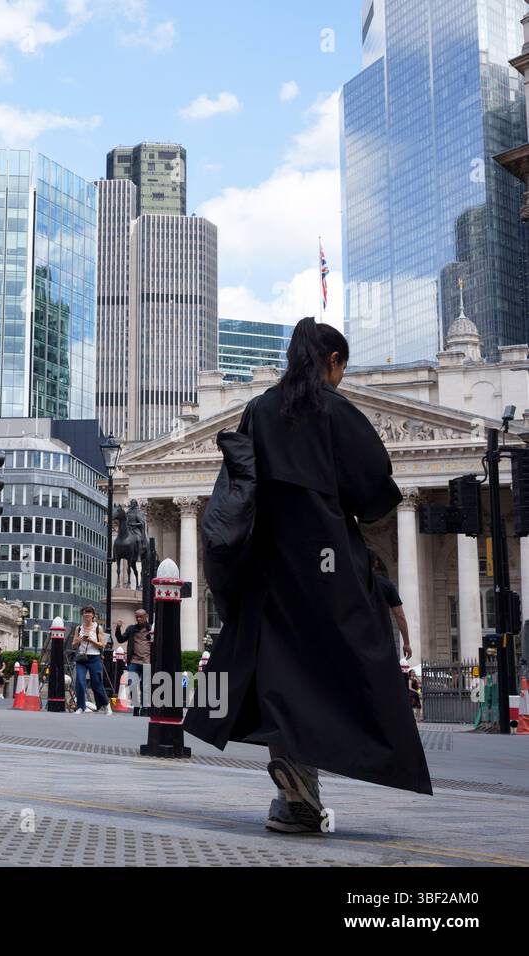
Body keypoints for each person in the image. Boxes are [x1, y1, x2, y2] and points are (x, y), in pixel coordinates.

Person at [183, 316, 432, 835]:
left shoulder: (257, 410)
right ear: (333, 362)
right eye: (342, 368)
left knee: (282, 677)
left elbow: (237, 490)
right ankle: (310, 788)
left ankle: (295, 792)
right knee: (345, 668)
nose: (341, 378)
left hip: (271, 569)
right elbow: (376, 493)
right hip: (327, 568)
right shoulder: (335, 410)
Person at [369, 550, 412, 661]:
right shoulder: (386, 585)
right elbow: (400, 616)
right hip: (381, 637)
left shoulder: (353, 583)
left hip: (358, 637)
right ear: (376, 563)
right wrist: (406, 643)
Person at [70, 606, 110, 714]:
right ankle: (80, 707)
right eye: (85, 612)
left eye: (89, 612)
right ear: (82, 615)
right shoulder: (78, 628)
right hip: (81, 658)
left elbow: (102, 645)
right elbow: (73, 645)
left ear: (93, 615)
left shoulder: (98, 628)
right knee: (80, 682)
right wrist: (80, 639)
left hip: (94, 657)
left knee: (96, 683)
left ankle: (105, 704)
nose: (87, 614)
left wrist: (91, 640)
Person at [116, 611, 153, 716]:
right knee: (132, 683)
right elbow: (120, 639)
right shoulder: (131, 629)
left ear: (146, 616)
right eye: (137, 617)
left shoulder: (151, 630)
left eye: (141, 617)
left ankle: (145, 708)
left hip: (147, 661)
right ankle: (136, 706)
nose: (138, 619)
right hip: (134, 661)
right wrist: (118, 628)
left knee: (145, 686)